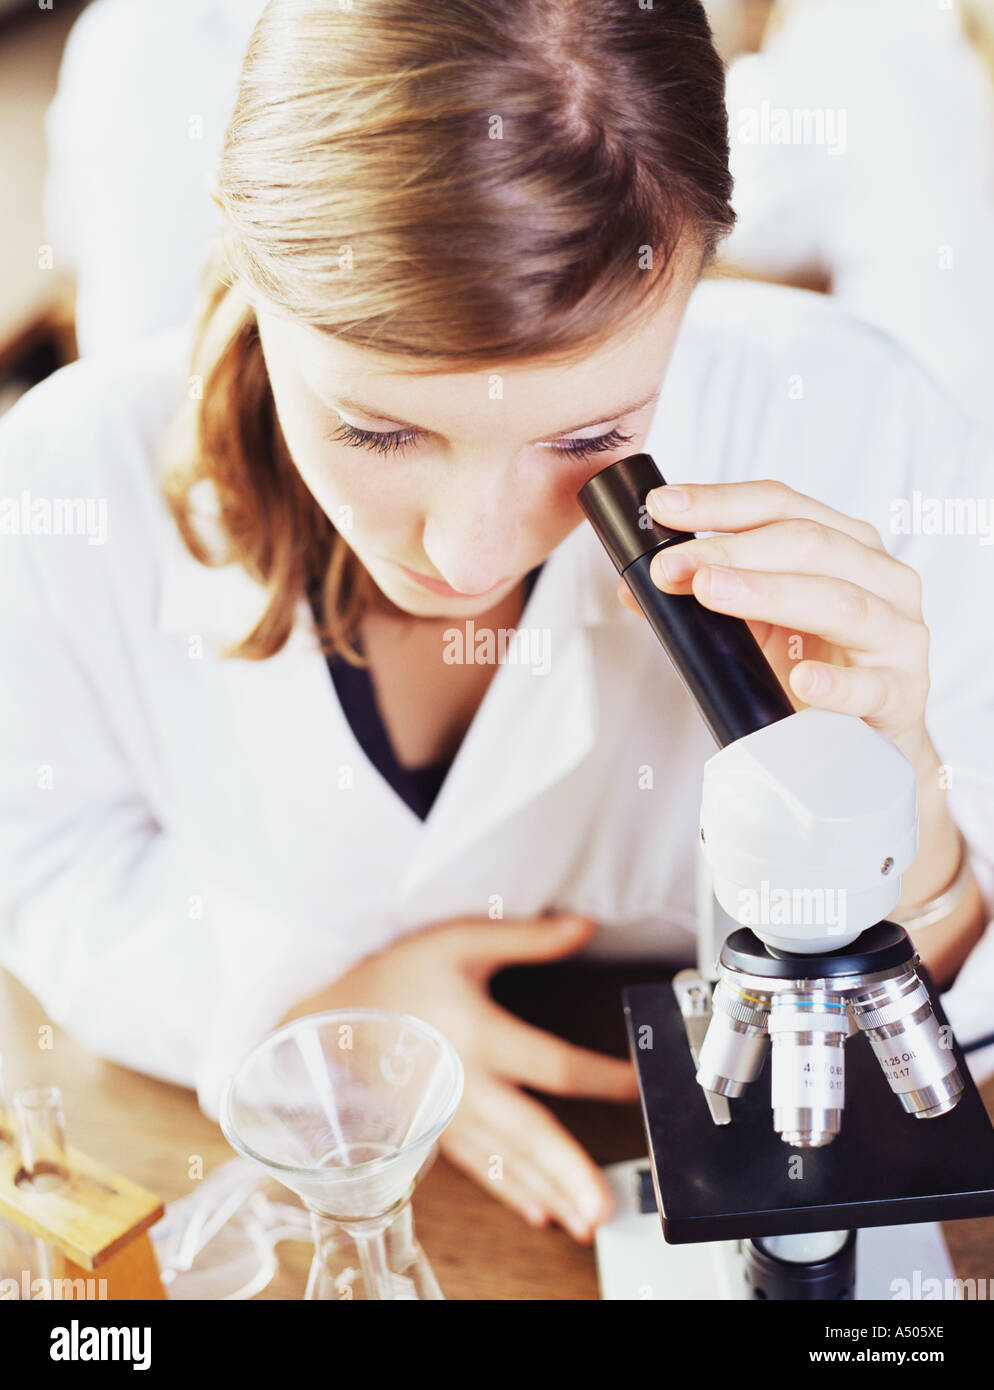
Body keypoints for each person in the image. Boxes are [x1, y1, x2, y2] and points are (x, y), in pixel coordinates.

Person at [2, 0, 992, 1245]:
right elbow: (47, 856)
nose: (468, 552)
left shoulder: (864, 431)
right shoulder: (63, 482)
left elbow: (954, 1005)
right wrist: (307, 1003)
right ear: (242, 251)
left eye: (591, 437)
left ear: (695, 275)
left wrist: (906, 795)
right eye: (378, 428)